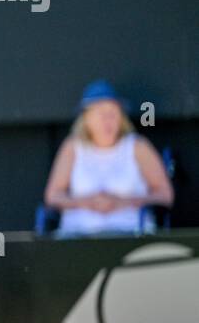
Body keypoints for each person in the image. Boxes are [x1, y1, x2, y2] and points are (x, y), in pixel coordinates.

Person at [42, 80, 174, 236]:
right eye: (100, 113)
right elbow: (52, 196)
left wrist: (122, 202)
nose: (107, 120)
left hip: (130, 235)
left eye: (112, 113)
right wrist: (86, 203)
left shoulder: (138, 147)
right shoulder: (72, 147)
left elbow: (166, 195)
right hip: (77, 237)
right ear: (86, 119)